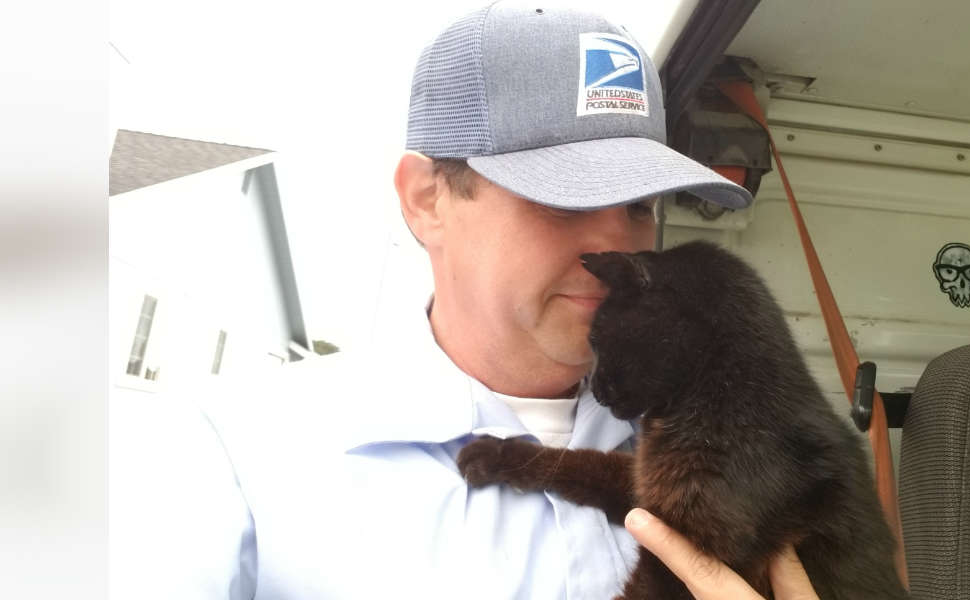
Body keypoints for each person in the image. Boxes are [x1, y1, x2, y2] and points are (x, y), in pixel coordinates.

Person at [110, 1, 820, 598]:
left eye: (640, 204)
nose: (621, 245)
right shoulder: (240, 455)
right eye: (561, 198)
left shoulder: (737, 445)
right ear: (427, 201)